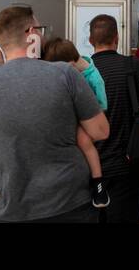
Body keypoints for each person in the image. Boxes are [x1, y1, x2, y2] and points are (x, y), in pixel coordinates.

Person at [0, 6, 109, 222]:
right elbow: (101, 131)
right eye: (40, 28)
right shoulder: (64, 74)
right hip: (67, 206)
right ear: (31, 33)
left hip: (9, 209)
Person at [88, 14, 139, 223]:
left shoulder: (83, 71)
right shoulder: (131, 66)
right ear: (116, 37)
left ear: (90, 40)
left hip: (91, 167)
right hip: (128, 165)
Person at [42, 37, 109, 208]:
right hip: (70, 116)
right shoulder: (72, 71)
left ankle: (98, 183)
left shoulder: (93, 78)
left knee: (84, 141)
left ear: (70, 64)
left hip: (86, 119)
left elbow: (101, 105)